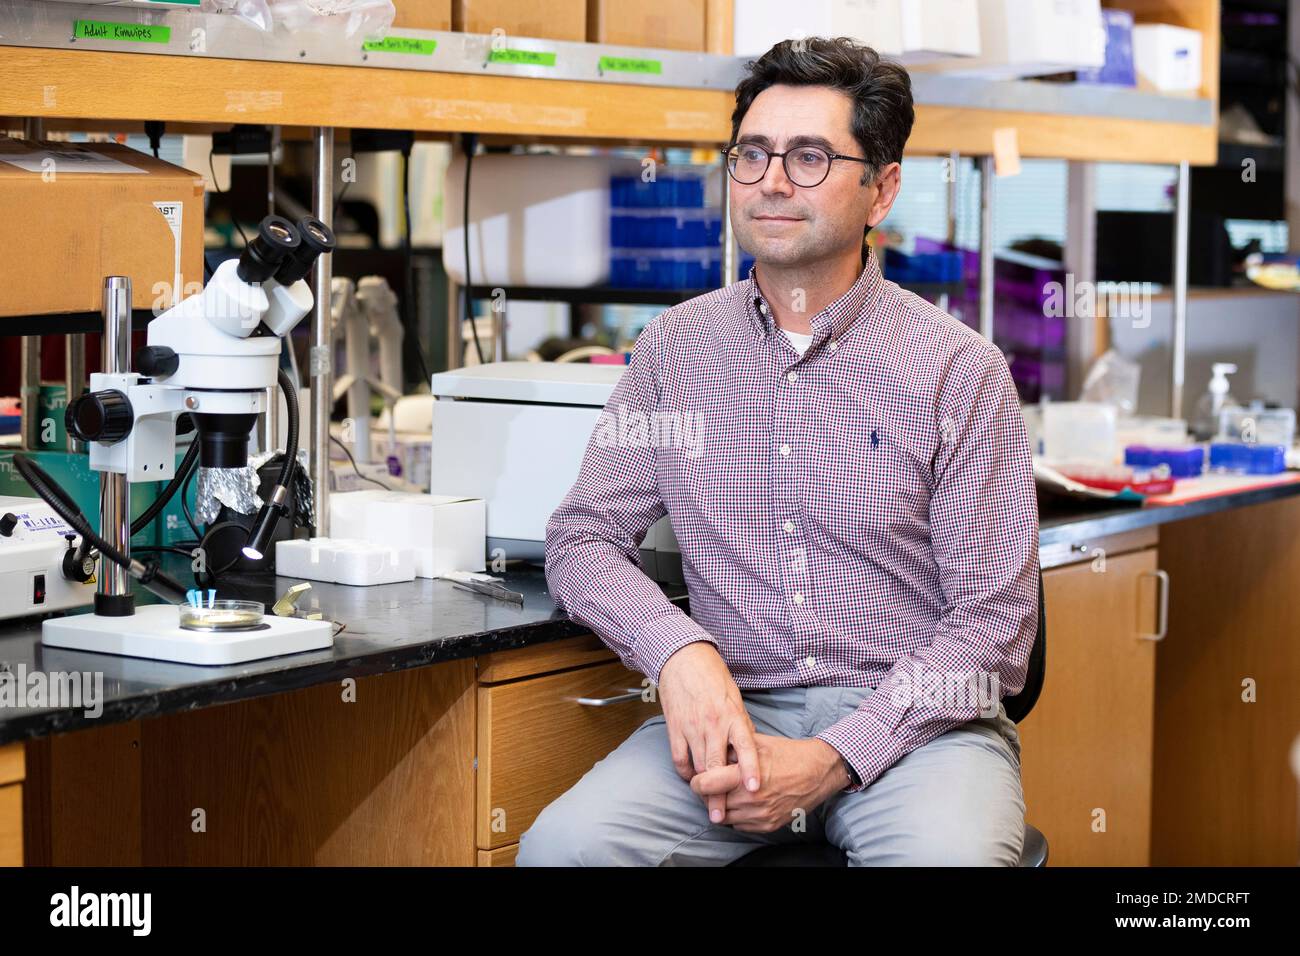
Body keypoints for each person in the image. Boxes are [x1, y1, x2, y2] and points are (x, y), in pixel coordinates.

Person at [519, 36, 1039, 866]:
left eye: (809, 157)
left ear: (883, 190)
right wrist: (680, 655)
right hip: (738, 713)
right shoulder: (674, 352)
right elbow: (582, 540)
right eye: (752, 154)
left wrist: (838, 755)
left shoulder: (957, 369)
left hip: (918, 730)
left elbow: (996, 624)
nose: (771, 180)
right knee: (564, 850)